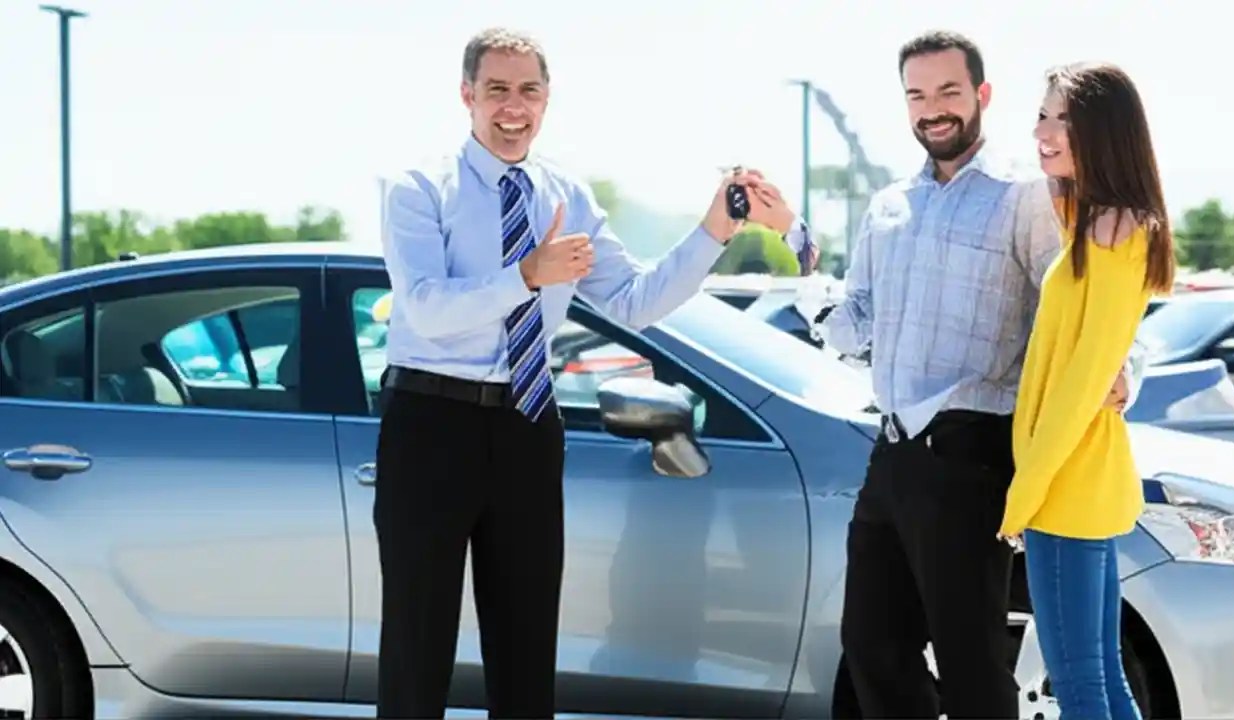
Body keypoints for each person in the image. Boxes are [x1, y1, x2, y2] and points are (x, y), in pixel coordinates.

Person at [374, 27, 816, 719]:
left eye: (528, 91)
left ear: (547, 99)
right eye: (497, 90)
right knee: (416, 646)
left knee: (525, 650)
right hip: (431, 426)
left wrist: (714, 231)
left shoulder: (565, 194)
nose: (513, 107)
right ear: (466, 95)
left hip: (527, 425)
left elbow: (635, 303)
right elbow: (425, 309)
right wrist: (527, 275)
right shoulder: (419, 188)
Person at [818, 30, 1146, 719]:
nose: (932, 108)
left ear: (981, 95)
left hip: (975, 454)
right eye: (917, 94)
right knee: (871, 644)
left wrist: (1127, 371)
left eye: (948, 91)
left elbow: (1094, 307)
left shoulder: (1026, 195)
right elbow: (854, 323)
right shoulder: (888, 207)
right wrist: (799, 258)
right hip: (893, 451)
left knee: (971, 657)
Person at [996, 61, 1174, 720]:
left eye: (1060, 117)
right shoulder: (1106, 222)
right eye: (1041, 114)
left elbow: (1081, 382)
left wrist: (1026, 491)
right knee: (1099, 678)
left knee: (1079, 684)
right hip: (1082, 480)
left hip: (1066, 489)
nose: (1042, 130)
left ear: (1101, 128)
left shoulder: (1109, 234)